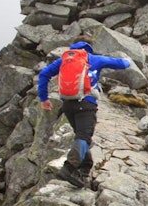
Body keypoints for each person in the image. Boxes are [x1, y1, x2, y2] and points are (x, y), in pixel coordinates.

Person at [38, 38, 131, 188]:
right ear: (89, 47)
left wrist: (44, 98)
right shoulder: (93, 58)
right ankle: (69, 168)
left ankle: (84, 169)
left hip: (68, 105)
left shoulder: (64, 60)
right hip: (86, 104)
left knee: (81, 136)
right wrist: (128, 60)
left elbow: (43, 74)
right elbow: (121, 64)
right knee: (84, 136)